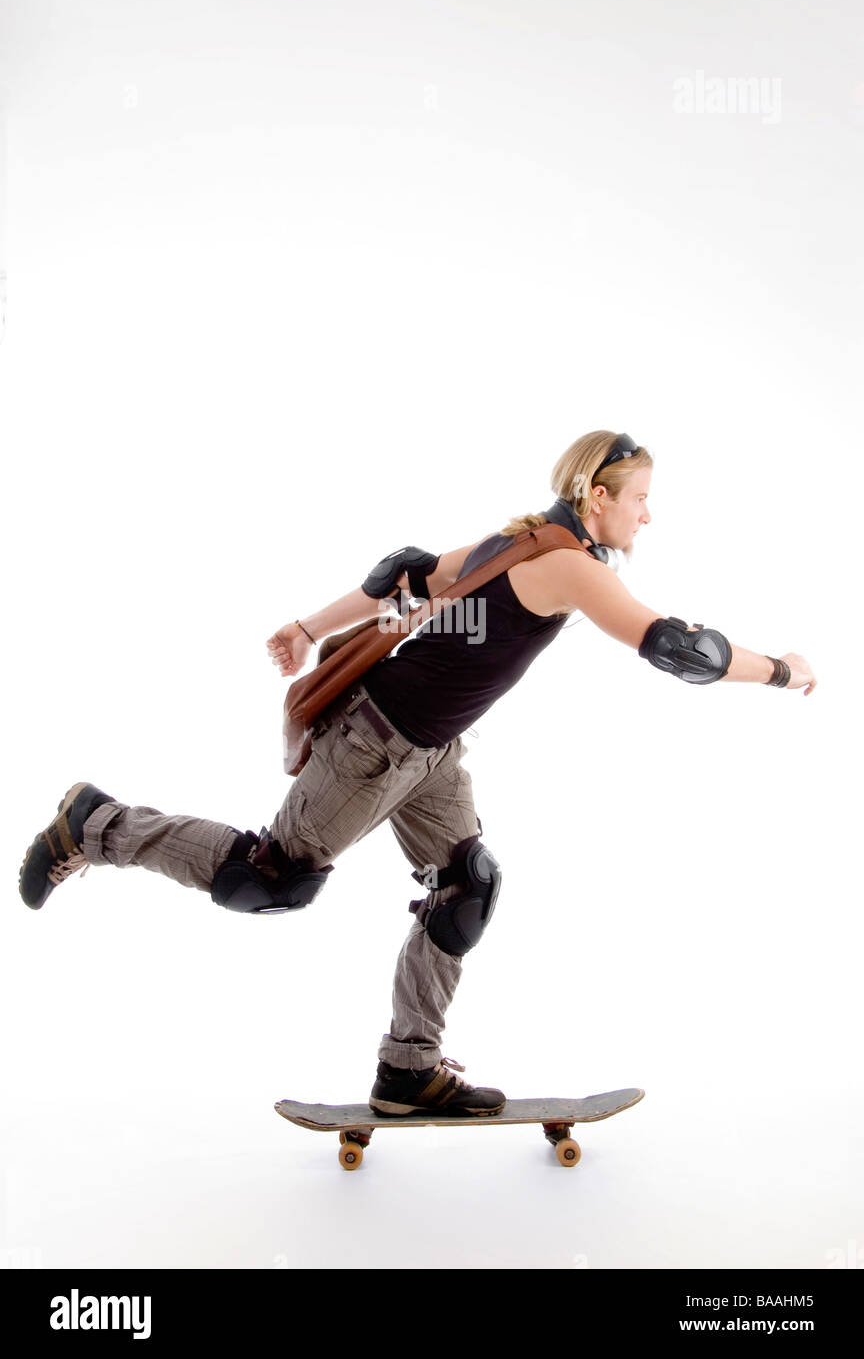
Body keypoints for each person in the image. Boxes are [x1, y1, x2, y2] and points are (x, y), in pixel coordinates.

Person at [18, 431, 817, 1117]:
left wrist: (305, 628)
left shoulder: (522, 540)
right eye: (641, 498)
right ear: (598, 496)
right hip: (376, 743)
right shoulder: (568, 562)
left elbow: (404, 579)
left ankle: (407, 1070)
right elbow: (679, 649)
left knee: (466, 885)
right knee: (269, 880)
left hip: (432, 750)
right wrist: (781, 670)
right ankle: (96, 825)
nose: (648, 515)